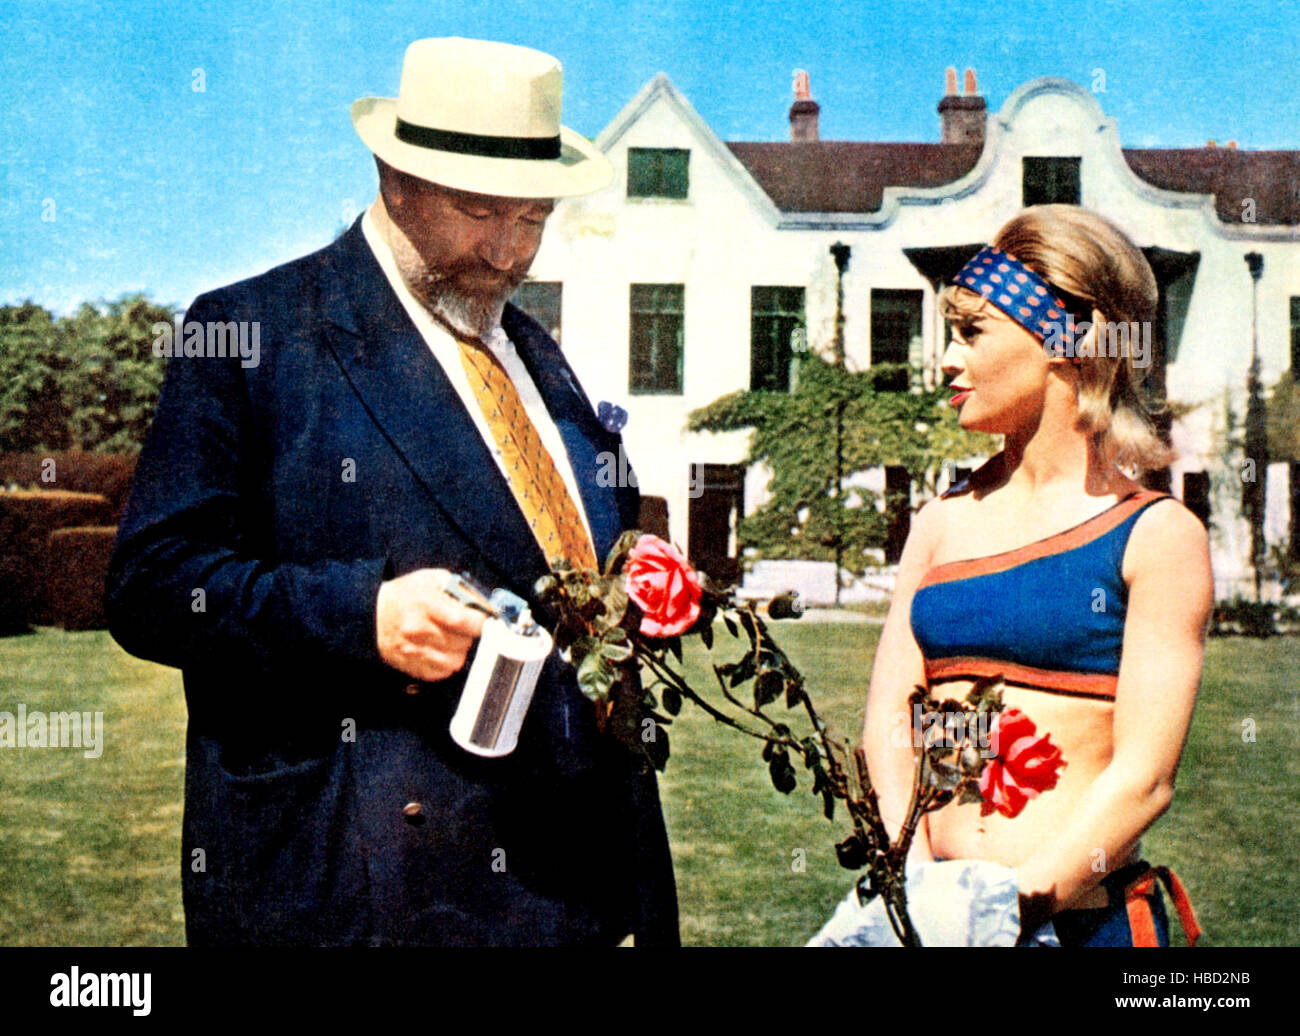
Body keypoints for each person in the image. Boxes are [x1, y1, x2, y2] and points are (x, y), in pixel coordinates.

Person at [106, 36, 678, 947]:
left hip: (582, 886)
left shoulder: (538, 356)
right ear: (393, 176)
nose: (507, 252)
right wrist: (359, 617)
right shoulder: (250, 332)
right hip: (372, 898)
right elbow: (152, 586)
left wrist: (631, 570)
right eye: (480, 211)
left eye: (533, 218)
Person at [859, 205, 1211, 946]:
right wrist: (916, 895)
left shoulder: (1157, 536)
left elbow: (1143, 780)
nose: (946, 360)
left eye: (971, 332)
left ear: (1067, 339)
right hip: (928, 918)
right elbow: (890, 731)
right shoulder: (938, 524)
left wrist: (1001, 915)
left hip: (1074, 929)